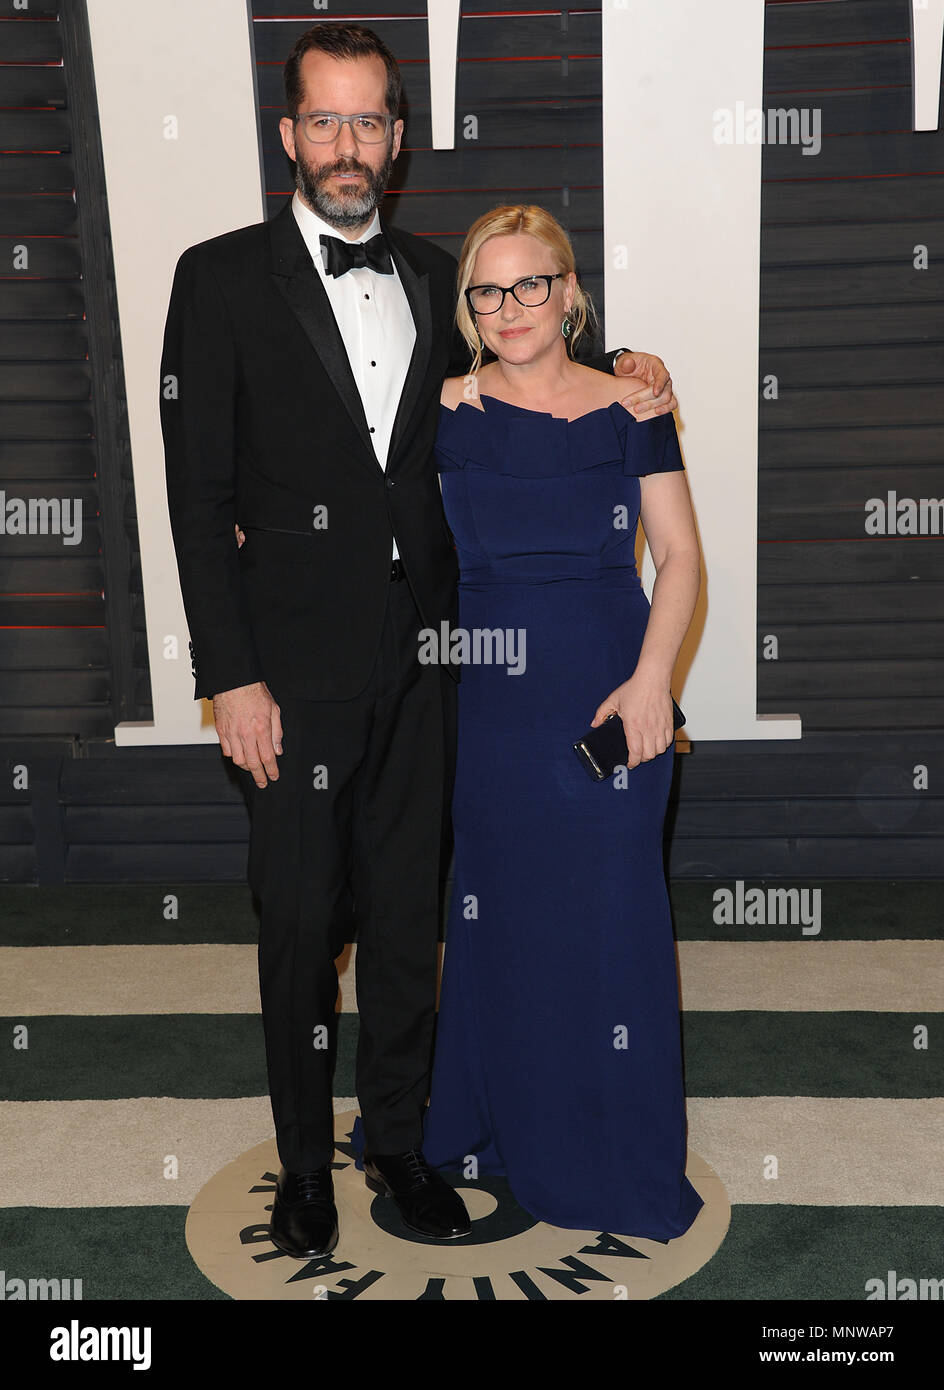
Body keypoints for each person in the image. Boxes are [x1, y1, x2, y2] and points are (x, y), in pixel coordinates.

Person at [161, 21, 678, 1259]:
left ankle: (398, 1140)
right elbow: (193, 498)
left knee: (406, 917)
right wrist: (228, 673)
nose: (347, 145)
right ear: (288, 135)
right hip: (285, 673)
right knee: (297, 922)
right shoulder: (217, 276)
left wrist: (627, 365)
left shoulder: (442, 274)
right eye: (324, 120)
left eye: (368, 122)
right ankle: (300, 1170)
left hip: (435, 666)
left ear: (396, 140)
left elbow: (528, 358)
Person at [421, 204, 704, 1238]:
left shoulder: (634, 406)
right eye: (486, 291)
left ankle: (609, 1147)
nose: (510, 307)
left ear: (570, 293)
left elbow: (675, 557)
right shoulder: (441, 408)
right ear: (468, 307)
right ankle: (500, 1118)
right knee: (502, 924)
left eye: (530, 284)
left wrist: (649, 682)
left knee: (608, 922)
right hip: (492, 707)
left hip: (608, 692)